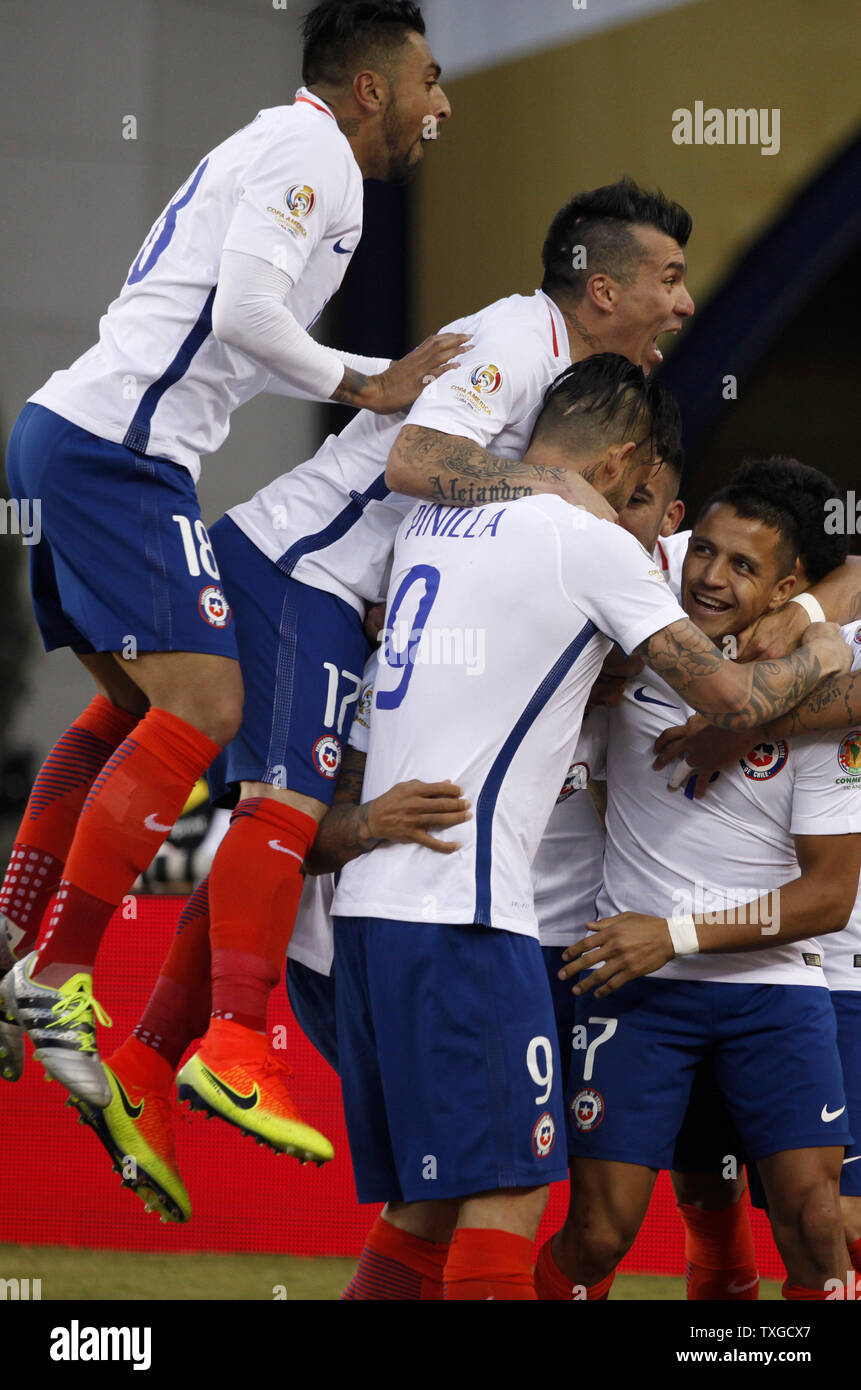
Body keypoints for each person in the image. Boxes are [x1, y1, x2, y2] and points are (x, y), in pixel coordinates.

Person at [5, 180, 699, 1187]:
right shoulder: (517, 337)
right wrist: (559, 491)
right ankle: (231, 1040)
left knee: (149, 735)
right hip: (299, 573)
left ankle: (137, 1049)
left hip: (331, 593)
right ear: (600, 289)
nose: (684, 302)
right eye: (669, 278)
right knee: (282, 809)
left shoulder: (555, 369)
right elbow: (419, 459)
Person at [0, 0, 461, 1107]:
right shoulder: (315, 152)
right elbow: (250, 314)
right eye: (430, 81)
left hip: (72, 436)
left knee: (127, 711)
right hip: (119, 452)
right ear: (369, 90)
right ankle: (57, 974)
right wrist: (372, 380)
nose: (440, 106)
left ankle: (15, 936)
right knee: (207, 706)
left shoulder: (278, 142)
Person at [327, 356, 850, 1301]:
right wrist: (811, 644)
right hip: (477, 912)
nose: (689, 559)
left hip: (376, 909)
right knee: (517, 1194)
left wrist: (811, 609)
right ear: (624, 468)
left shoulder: (435, 524)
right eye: (680, 532)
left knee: (430, 1205)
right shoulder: (593, 547)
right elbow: (728, 693)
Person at [543, 466, 861, 1301]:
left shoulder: (832, 700)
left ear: (788, 589)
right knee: (597, 1235)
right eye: (703, 554)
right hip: (634, 987)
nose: (711, 578)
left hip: (772, 991)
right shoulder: (630, 650)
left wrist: (674, 935)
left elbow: (828, 897)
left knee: (818, 1228)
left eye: (743, 567)